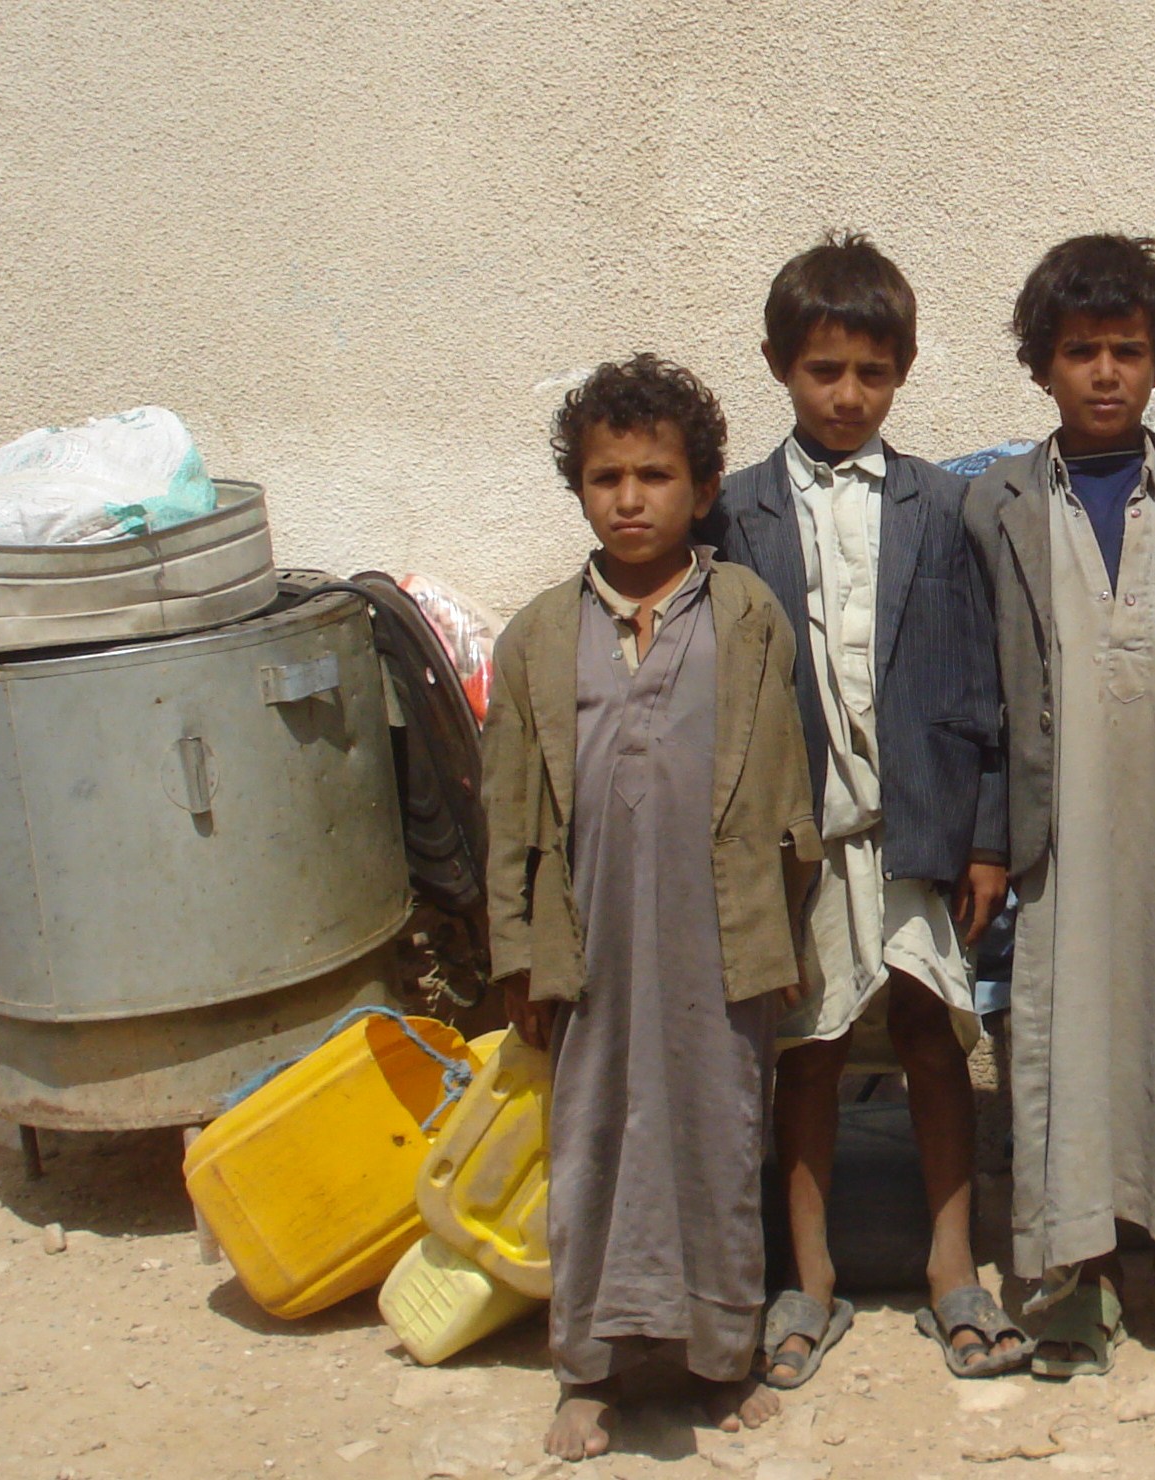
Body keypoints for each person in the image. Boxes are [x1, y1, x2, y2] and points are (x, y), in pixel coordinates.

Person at [704, 233, 1028, 1385]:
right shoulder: (729, 511)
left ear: (903, 371)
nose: (847, 395)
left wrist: (985, 833)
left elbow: (984, 681)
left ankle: (954, 1269)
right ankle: (810, 1279)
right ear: (777, 365)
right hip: (800, 840)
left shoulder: (945, 507)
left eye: (871, 374)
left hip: (919, 831)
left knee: (936, 1040)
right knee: (811, 1048)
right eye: (823, 370)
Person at [482, 355, 821, 1459]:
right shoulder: (539, 634)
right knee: (589, 1141)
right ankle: (588, 1368)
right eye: (606, 477)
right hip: (591, 938)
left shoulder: (745, 612)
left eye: (655, 476)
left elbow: (783, 785)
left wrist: (783, 931)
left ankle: (718, 1360)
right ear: (579, 489)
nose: (630, 499)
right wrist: (518, 956)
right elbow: (511, 810)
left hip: (718, 932)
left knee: (718, 1137)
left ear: (703, 486)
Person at [961, 233, 1155, 1379]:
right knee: (1063, 1028)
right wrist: (989, 836)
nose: (1104, 373)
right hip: (1058, 826)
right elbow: (979, 694)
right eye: (1080, 351)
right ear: (1041, 365)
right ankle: (1076, 1271)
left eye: (1127, 351)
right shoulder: (989, 506)